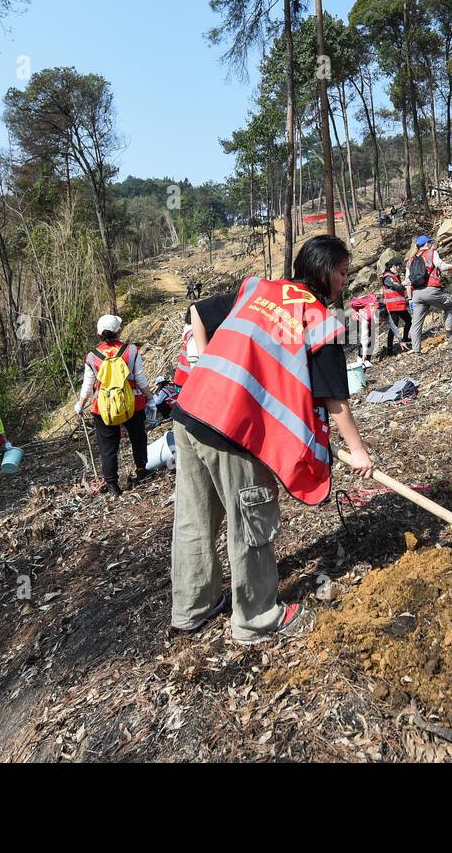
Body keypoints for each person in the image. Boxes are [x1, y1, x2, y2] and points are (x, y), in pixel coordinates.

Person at [170, 236, 375, 645]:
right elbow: (336, 403)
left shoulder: (258, 289)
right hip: (233, 427)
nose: (344, 280)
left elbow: (198, 311)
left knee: (195, 517)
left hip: (191, 410)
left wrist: (210, 368)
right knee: (252, 519)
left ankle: (192, 608)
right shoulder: (320, 322)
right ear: (323, 272)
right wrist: (360, 452)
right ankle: (256, 618)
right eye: (342, 272)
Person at [75, 314, 154, 497]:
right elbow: (141, 379)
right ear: (119, 331)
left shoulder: (92, 357)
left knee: (108, 448)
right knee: (138, 438)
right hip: (132, 404)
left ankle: (113, 487)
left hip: (103, 408)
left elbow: (88, 386)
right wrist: (150, 399)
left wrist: (80, 404)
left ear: (98, 334)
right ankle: (142, 470)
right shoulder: (131, 351)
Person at [405, 234, 452, 352]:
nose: (431, 244)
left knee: (416, 323)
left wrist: (410, 299)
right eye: (430, 242)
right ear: (426, 244)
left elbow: (408, 282)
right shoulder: (431, 253)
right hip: (431, 290)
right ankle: (449, 335)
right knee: (449, 305)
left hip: (416, 295)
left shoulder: (410, 261)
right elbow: (443, 266)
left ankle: (416, 350)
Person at [380, 257, 412, 355]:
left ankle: (405, 338)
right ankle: (389, 350)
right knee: (394, 328)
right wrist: (404, 284)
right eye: (399, 267)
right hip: (393, 307)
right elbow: (396, 286)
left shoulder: (394, 276)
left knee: (408, 321)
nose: (400, 269)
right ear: (394, 266)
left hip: (399, 306)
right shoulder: (387, 277)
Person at [349, 292, 379, 367]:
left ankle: (367, 359)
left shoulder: (375, 308)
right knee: (365, 340)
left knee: (371, 339)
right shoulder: (366, 316)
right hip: (359, 320)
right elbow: (364, 338)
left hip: (367, 318)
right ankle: (361, 359)